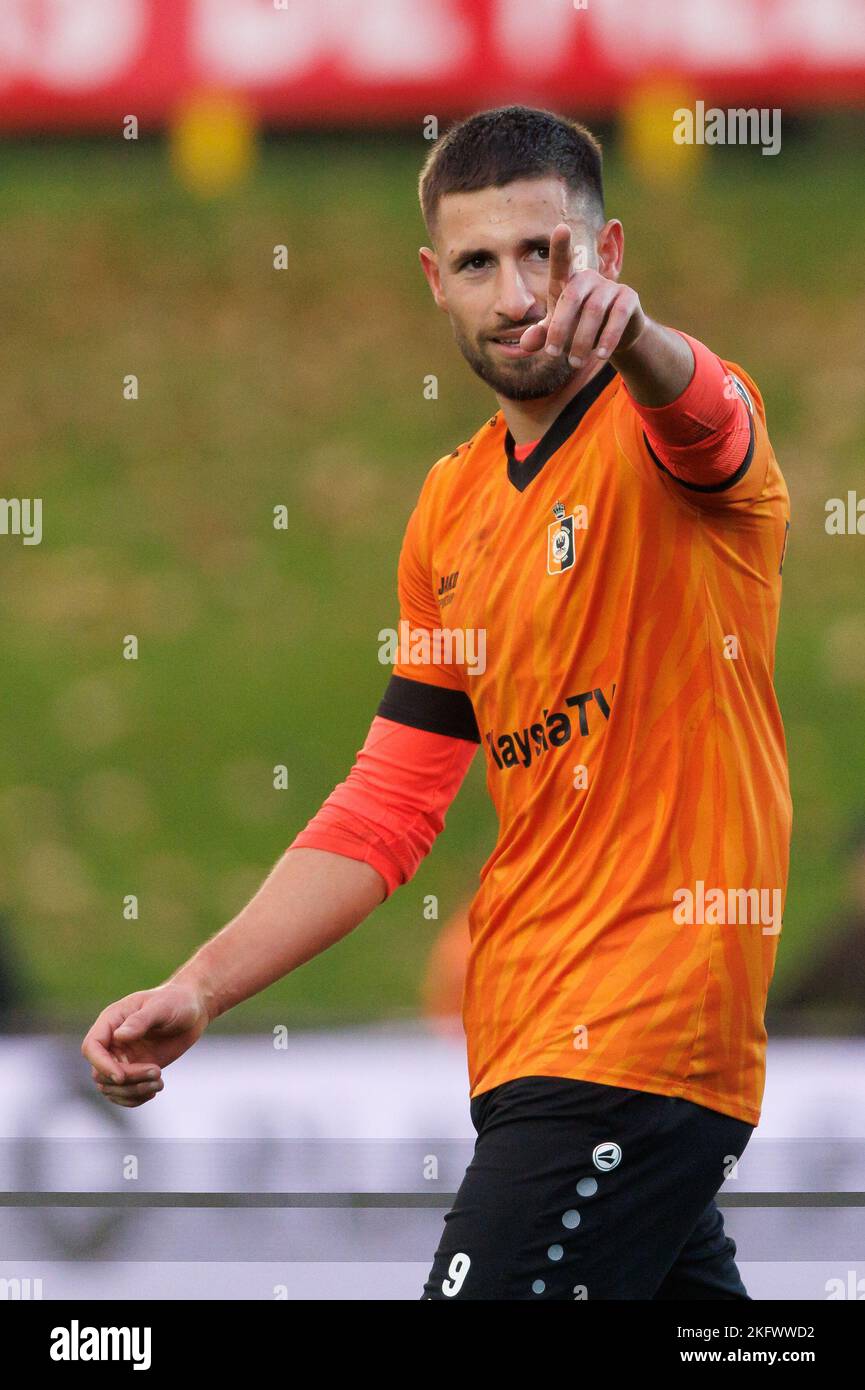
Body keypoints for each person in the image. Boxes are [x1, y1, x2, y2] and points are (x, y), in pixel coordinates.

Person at [82, 105, 792, 1300]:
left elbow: (709, 420)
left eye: (545, 253)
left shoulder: (670, 430)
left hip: (636, 1037)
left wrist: (644, 344)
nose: (517, 293)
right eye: (478, 262)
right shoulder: (451, 509)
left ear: (607, 255)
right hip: (518, 1035)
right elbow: (388, 806)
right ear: (435, 281)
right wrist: (200, 984)